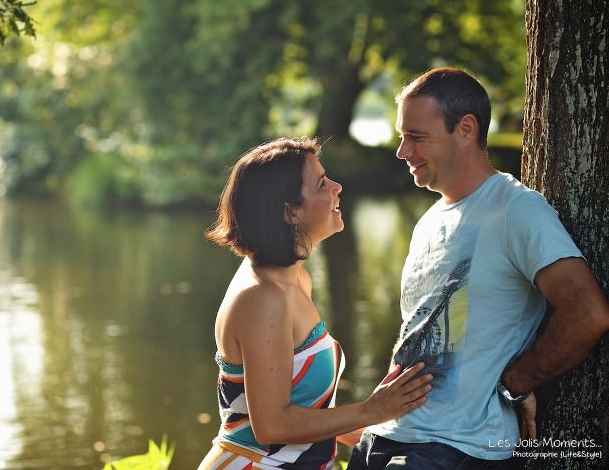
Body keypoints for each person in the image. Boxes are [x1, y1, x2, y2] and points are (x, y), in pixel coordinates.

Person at [347, 67, 609, 470]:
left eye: (416, 137)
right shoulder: (431, 220)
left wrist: (516, 384)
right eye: (403, 137)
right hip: (384, 438)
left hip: (452, 450)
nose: (403, 152)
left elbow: (588, 313)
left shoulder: (517, 210)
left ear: (466, 129)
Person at [198, 136, 433, 470]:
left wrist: (387, 432)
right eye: (322, 183)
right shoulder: (262, 298)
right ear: (289, 211)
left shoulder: (293, 279)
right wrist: (373, 409)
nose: (337, 187)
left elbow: (309, 410)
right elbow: (271, 427)